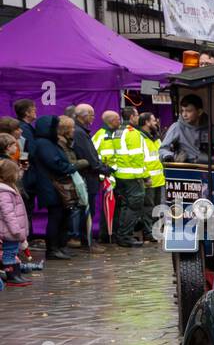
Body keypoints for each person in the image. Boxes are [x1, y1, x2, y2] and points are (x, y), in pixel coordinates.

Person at [30, 115, 88, 260]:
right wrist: (71, 167)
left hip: (56, 185)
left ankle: (61, 246)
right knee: (56, 217)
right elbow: (55, 163)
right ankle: (53, 249)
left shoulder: (49, 142)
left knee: (63, 217)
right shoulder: (43, 143)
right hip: (51, 186)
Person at [97, 110, 149, 249]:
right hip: (132, 176)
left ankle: (122, 235)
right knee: (133, 206)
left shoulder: (117, 132)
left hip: (121, 175)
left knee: (125, 206)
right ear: (131, 117)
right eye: (137, 115)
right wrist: (144, 176)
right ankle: (125, 237)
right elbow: (136, 157)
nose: (138, 117)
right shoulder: (132, 133)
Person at [71, 104, 111, 250]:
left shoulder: (82, 131)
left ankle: (85, 240)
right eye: (92, 115)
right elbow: (88, 156)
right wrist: (104, 169)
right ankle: (86, 242)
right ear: (84, 116)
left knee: (86, 210)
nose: (94, 118)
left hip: (90, 175)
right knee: (87, 210)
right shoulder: (80, 133)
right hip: (88, 176)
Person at [160, 94, 214, 163]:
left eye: (188, 111)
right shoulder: (177, 127)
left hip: (210, 170)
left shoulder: (213, 130)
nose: (184, 115)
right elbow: (163, 149)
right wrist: (171, 157)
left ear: (199, 112)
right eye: (182, 110)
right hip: (186, 169)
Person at [0, 158, 31, 287]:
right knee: (9, 253)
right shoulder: (4, 192)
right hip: (9, 230)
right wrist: (15, 229)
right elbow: (8, 214)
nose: (18, 175)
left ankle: (17, 274)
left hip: (13, 231)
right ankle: (12, 276)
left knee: (13, 252)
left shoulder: (9, 188)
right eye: (16, 172)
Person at [138, 112, 165, 242]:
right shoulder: (140, 138)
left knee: (156, 208)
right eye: (154, 120)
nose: (156, 123)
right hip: (148, 180)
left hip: (158, 179)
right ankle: (148, 233)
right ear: (147, 122)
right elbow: (139, 160)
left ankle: (155, 231)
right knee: (148, 208)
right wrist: (145, 177)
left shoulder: (155, 137)